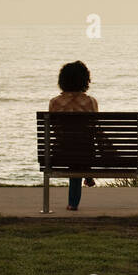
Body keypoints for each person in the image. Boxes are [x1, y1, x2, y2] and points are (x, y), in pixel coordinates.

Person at [49, 61, 98, 211]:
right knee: (81, 149)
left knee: (72, 149)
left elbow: (56, 131)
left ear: (62, 80)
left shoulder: (54, 102)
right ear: (85, 80)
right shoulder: (90, 102)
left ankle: (73, 203)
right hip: (85, 154)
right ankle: (87, 174)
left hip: (60, 153)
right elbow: (95, 131)